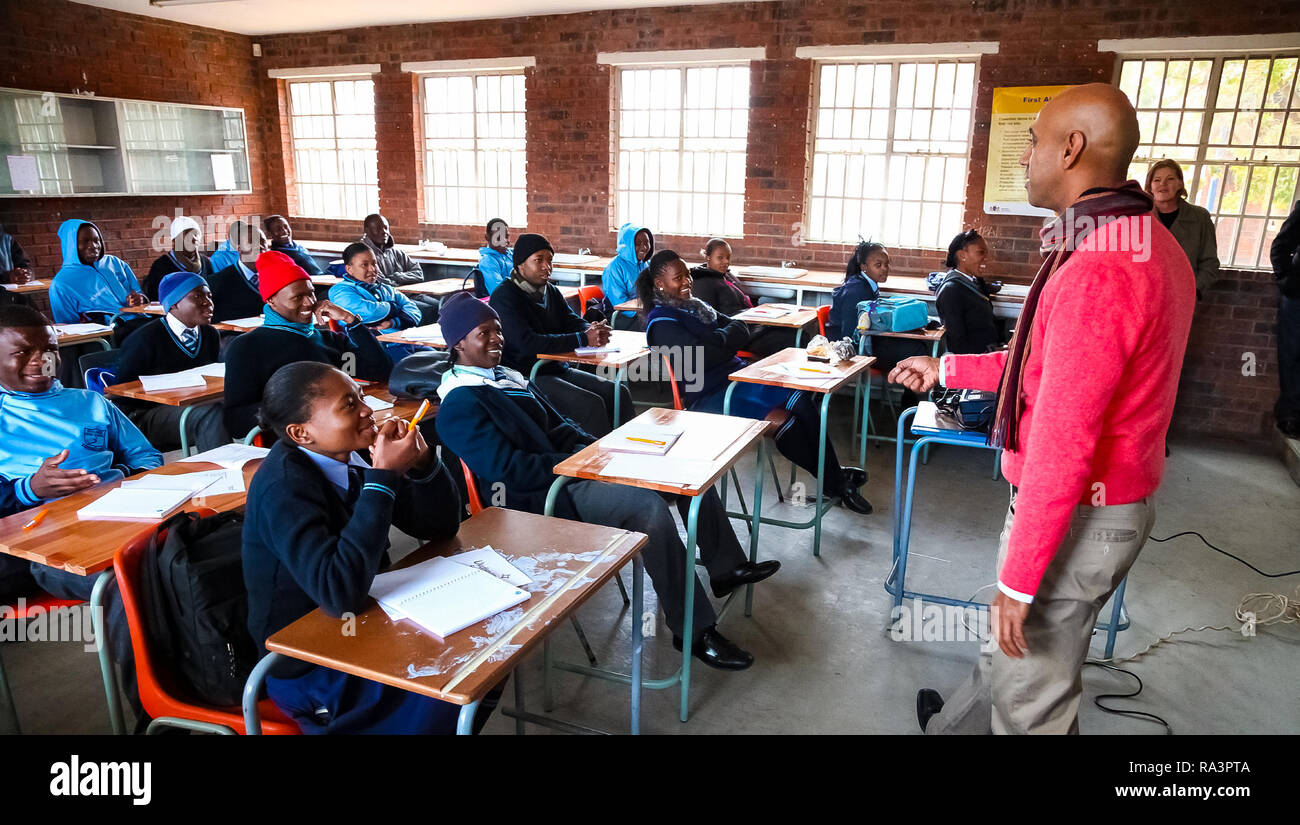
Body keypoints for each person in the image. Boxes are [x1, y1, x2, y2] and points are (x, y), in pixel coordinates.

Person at [893, 83, 1195, 735]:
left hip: (1082, 506)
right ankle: (951, 725)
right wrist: (946, 367)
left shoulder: (1099, 265)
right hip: (1104, 500)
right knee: (1009, 654)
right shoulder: (1146, 242)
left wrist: (1022, 579)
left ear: (1072, 148)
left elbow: (1063, 440)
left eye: (1032, 143)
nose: (1024, 158)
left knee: (1031, 692)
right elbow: (1039, 368)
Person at [434, 292, 778, 670]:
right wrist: (577, 462)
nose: (497, 338)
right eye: (484, 332)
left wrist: (600, 448)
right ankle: (693, 630)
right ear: (458, 343)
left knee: (683, 467)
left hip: (572, 470)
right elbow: (509, 470)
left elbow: (560, 426)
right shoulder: (459, 403)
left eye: (498, 330)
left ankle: (726, 567)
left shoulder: (505, 377)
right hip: (539, 498)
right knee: (645, 508)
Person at [243, 361, 492, 734]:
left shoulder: (354, 458)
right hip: (308, 664)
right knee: (454, 689)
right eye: (348, 405)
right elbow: (337, 591)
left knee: (485, 653)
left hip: (364, 626)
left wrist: (422, 465)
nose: (367, 410)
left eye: (360, 397)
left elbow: (440, 527)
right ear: (302, 432)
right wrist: (382, 480)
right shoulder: (284, 486)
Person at [0, 303, 161, 704]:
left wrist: (120, 478)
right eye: (22, 353)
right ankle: (156, 708)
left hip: (119, 517)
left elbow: (147, 457)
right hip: (43, 544)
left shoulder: (88, 402)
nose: (41, 361)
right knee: (130, 586)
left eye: (49, 349)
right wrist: (29, 488)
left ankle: (215, 677)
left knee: (197, 558)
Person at [639, 250, 872, 514]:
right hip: (708, 397)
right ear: (659, 283)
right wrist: (723, 341)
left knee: (799, 397)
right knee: (786, 420)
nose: (686, 282)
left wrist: (719, 341)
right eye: (677, 278)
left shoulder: (696, 306)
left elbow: (741, 329)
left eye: (687, 275)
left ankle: (834, 479)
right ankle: (836, 481)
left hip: (737, 379)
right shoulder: (662, 323)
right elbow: (702, 359)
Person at [222, 251, 391, 439]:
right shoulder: (248, 348)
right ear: (271, 300)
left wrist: (351, 321)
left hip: (344, 433)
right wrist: (300, 407)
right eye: (297, 297)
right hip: (293, 442)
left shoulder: (330, 341)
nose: (309, 303)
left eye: (311, 293)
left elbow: (381, 370)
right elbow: (235, 420)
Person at [490, 233, 629, 436]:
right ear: (520, 265)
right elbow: (528, 343)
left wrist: (592, 329)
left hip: (555, 368)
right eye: (539, 260)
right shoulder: (505, 296)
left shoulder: (550, 291)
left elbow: (570, 320)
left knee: (618, 393)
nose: (547, 266)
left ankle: (628, 451)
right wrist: (583, 339)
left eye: (550, 260)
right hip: (527, 375)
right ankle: (595, 463)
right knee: (590, 405)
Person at [112, 271, 230, 453]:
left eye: (209, 296)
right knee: (208, 414)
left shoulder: (210, 334)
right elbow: (122, 393)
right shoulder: (144, 339)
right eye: (198, 296)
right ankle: (225, 473)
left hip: (192, 406)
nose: (208, 303)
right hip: (147, 415)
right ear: (173, 304)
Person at [690, 239, 795, 357]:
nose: (726, 262)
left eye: (728, 257)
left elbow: (741, 302)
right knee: (788, 339)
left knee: (794, 332)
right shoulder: (702, 283)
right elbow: (709, 319)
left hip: (752, 326)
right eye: (720, 258)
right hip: (738, 334)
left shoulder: (727, 276)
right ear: (708, 257)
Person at [48, 219, 150, 336]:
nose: (94, 246)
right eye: (85, 241)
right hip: (108, 332)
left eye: (97, 240)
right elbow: (69, 327)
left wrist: (140, 299)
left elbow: (138, 294)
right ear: (71, 245)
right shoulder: (61, 283)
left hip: (139, 320)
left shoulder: (114, 262)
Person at [328, 242, 423, 361]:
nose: (372, 269)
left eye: (374, 263)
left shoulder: (386, 288)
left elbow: (415, 312)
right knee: (424, 369)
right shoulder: (340, 290)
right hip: (375, 349)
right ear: (349, 269)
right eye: (364, 265)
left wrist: (394, 322)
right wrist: (394, 307)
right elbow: (368, 313)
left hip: (406, 342)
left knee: (440, 359)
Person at [1145, 159, 1219, 298]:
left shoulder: (1199, 218)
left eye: (1170, 179)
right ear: (1150, 186)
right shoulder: (1138, 217)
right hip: (1145, 297)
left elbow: (1210, 262)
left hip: (1183, 298)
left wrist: (1194, 291)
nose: (1163, 184)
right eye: (1157, 180)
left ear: (1180, 184)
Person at [934, 229, 1005, 355]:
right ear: (962, 256)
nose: (986, 258)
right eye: (980, 252)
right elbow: (957, 343)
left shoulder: (974, 283)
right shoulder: (951, 291)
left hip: (988, 353)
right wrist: (988, 354)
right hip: (974, 359)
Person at [360, 213, 439, 323]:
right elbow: (384, 284)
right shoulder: (364, 255)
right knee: (430, 310)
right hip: (393, 301)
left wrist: (398, 276)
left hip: (413, 295)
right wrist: (406, 280)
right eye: (378, 228)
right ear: (367, 231)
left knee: (442, 307)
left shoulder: (396, 252)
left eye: (386, 228)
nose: (384, 232)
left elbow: (419, 274)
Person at [1271, 198, 1300, 438]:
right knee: (1292, 353)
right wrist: (1287, 282)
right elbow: (1280, 246)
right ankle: (1290, 415)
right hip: (1298, 296)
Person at [207, 220, 268, 323]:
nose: (260, 246)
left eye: (262, 241)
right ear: (239, 248)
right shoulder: (218, 283)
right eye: (252, 242)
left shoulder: (277, 275)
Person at [144, 216, 213, 302]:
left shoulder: (206, 263)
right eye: (187, 235)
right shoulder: (161, 266)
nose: (194, 239)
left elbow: (213, 292)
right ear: (175, 240)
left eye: (196, 234)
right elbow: (156, 299)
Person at [601, 222, 653, 330]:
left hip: (642, 311)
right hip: (622, 315)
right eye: (638, 243)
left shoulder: (645, 264)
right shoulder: (614, 268)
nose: (644, 247)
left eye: (647, 242)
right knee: (658, 326)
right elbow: (620, 303)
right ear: (627, 245)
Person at [477, 218, 513, 296]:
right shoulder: (488, 261)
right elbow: (498, 292)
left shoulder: (512, 253)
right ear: (487, 237)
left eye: (506, 236)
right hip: (505, 303)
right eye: (498, 237)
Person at [0, 222, 35, 286]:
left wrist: (25, 274)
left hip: (11, 293)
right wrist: (7, 277)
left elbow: (25, 266)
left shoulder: (8, 240)